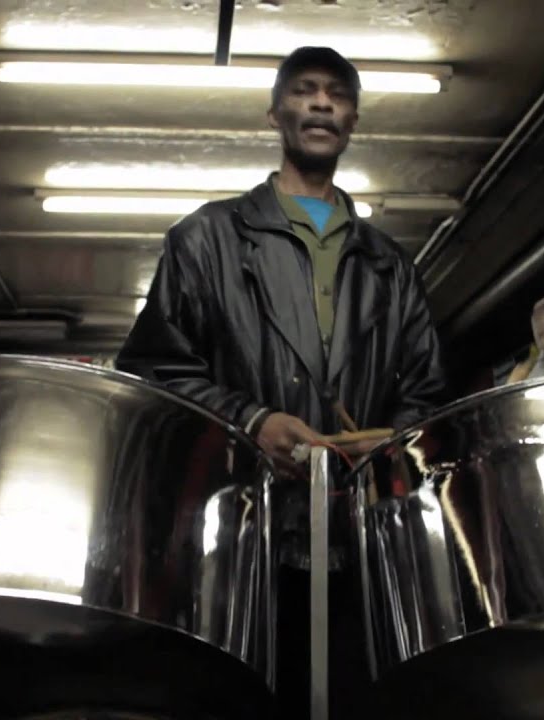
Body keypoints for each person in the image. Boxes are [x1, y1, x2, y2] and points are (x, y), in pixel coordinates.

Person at [116, 46, 447, 718]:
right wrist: (251, 422)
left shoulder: (390, 264)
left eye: (338, 94)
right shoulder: (205, 239)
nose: (321, 102)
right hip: (237, 548)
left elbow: (428, 393)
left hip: (359, 550)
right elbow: (151, 374)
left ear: (353, 120)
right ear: (275, 113)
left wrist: (388, 447)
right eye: (304, 90)